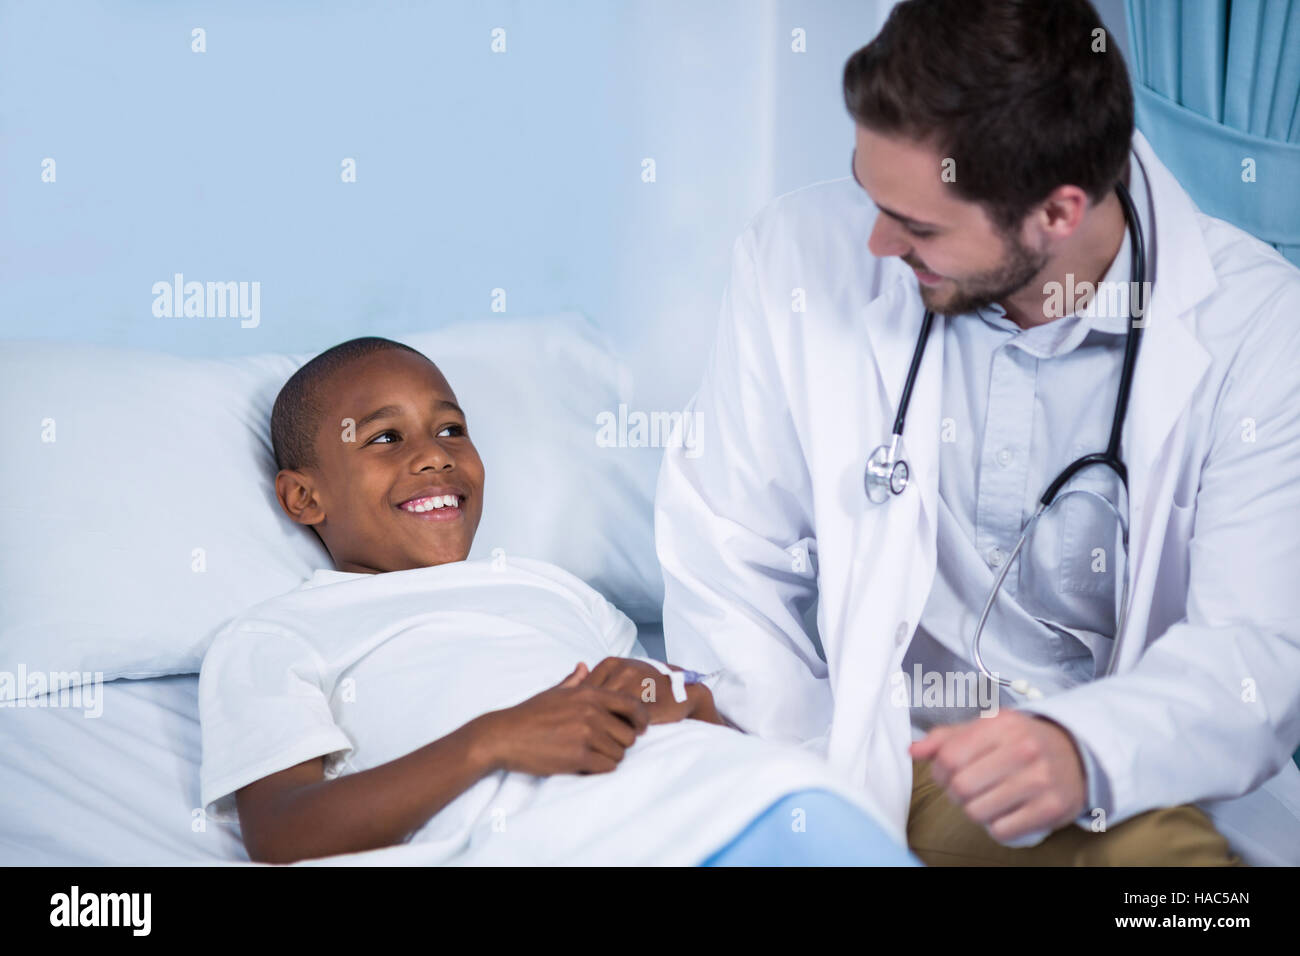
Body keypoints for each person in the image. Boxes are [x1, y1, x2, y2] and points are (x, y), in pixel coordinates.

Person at [655, 0, 1300, 865]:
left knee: (1165, 879)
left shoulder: (1260, 330)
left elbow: (1254, 653)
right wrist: (816, 790)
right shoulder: (796, 259)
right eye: (868, 191)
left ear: (1058, 214)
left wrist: (1082, 749)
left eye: (920, 227)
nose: (877, 243)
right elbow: (729, 567)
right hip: (888, 759)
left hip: (1135, 771)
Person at [197, 335, 917, 865]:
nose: (434, 454)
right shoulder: (278, 634)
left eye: (451, 429)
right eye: (386, 438)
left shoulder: (555, 592)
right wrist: (494, 739)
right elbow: (282, 833)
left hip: (750, 798)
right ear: (303, 496)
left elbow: (684, 710)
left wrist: (682, 698)